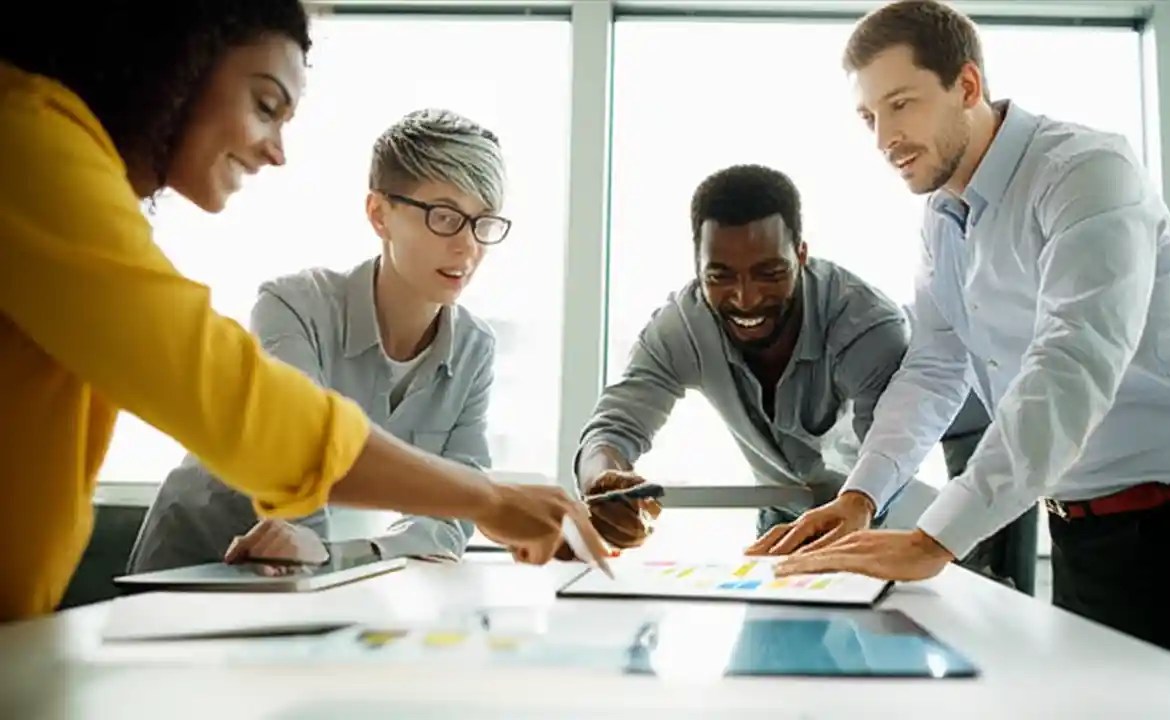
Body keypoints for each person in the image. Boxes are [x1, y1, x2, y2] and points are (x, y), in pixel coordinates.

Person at [0, 1, 606, 622]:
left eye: (482, 223)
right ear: (175, 61)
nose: (277, 152)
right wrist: (488, 499)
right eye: (265, 105)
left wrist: (393, 532)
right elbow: (253, 411)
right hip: (188, 585)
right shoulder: (26, 147)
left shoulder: (60, 170)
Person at [761, 0, 1170, 678]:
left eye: (902, 104)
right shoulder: (944, 217)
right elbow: (938, 366)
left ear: (967, 87)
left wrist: (937, 534)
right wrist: (861, 497)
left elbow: (1072, 362)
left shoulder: (1087, 174)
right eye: (869, 116)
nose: (884, 137)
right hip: (1080, 528)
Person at [127, 108, 510, 573]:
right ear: (379, 214)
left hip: (317, 573)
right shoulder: (293, 305)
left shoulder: (474, 348)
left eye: (483, 222)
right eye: (445, 217)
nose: (468, 246)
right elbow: (293, 455)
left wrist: (343, 554)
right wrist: (320, 547)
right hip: (195, 564)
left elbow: (457, 512)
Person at [572, 164, 983, 555]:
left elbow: (886, 458)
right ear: (697, 267)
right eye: (720, 276)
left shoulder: (866, 325)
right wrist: (601, 481)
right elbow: (612, 428)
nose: (745, 298)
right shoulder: (681, 327)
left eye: (769, 273)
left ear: (801, 254)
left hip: (877, 506)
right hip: (781, 513)